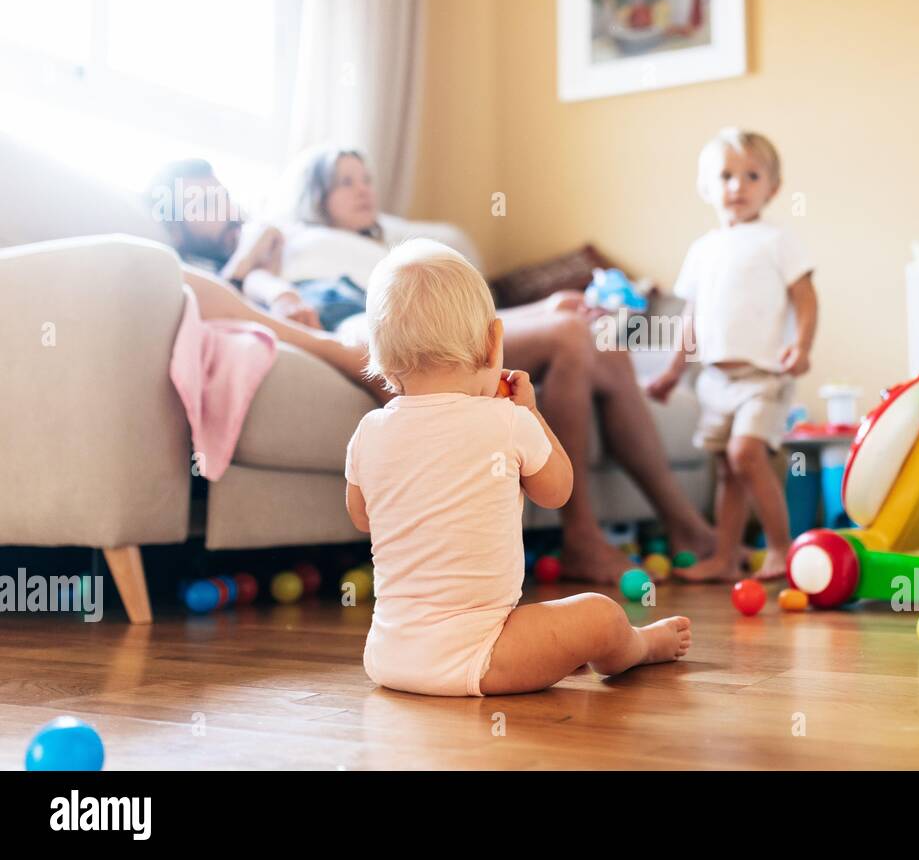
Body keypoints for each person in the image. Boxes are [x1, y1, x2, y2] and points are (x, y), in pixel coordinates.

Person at [243, 145, 717, 582]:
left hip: (437, 319)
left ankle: (683, 524)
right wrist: (278, 288)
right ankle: (584, 539)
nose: (363, 188)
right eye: (346, 181)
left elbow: (451, 312)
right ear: (315, 194)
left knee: (581, 321)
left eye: (365, 178)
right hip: (378, 329)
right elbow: (243, 276)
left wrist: (550, 304)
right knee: (572, 334)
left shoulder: (383, 242)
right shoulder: (289, 237)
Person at [344, 239, 691, 696]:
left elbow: (362, 517)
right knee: (600, 614)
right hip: (479, 657)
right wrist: (531, 414)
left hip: (387, 656)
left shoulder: (369, 431)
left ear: (382, 360)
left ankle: (548, 654)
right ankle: (637, 647)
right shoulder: (507, 419)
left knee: (546, 625)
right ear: (494, 344)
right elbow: (558, 491)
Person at [646, 129, 818, 581]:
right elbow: (691, 318)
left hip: (762, 377)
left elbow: (805, 297)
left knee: (746, 455)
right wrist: (671, 372)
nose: (737, 186)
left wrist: (801, 345)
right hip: (715, 381)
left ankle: (781, 548)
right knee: (726, 469)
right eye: (725, 176)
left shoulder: (776, 239)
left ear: (773, 188)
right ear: (706, 187)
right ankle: (725, 557)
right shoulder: (703, 249)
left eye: (751, 175)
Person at [145, 159, 383, 400]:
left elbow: (260, 279)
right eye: (206, 205)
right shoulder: (189, 269)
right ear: (175, 229)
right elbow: (223, 299)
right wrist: (244, 260)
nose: (228, 212)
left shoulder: (261, 238)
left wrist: (274, 281)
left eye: (224, 198)